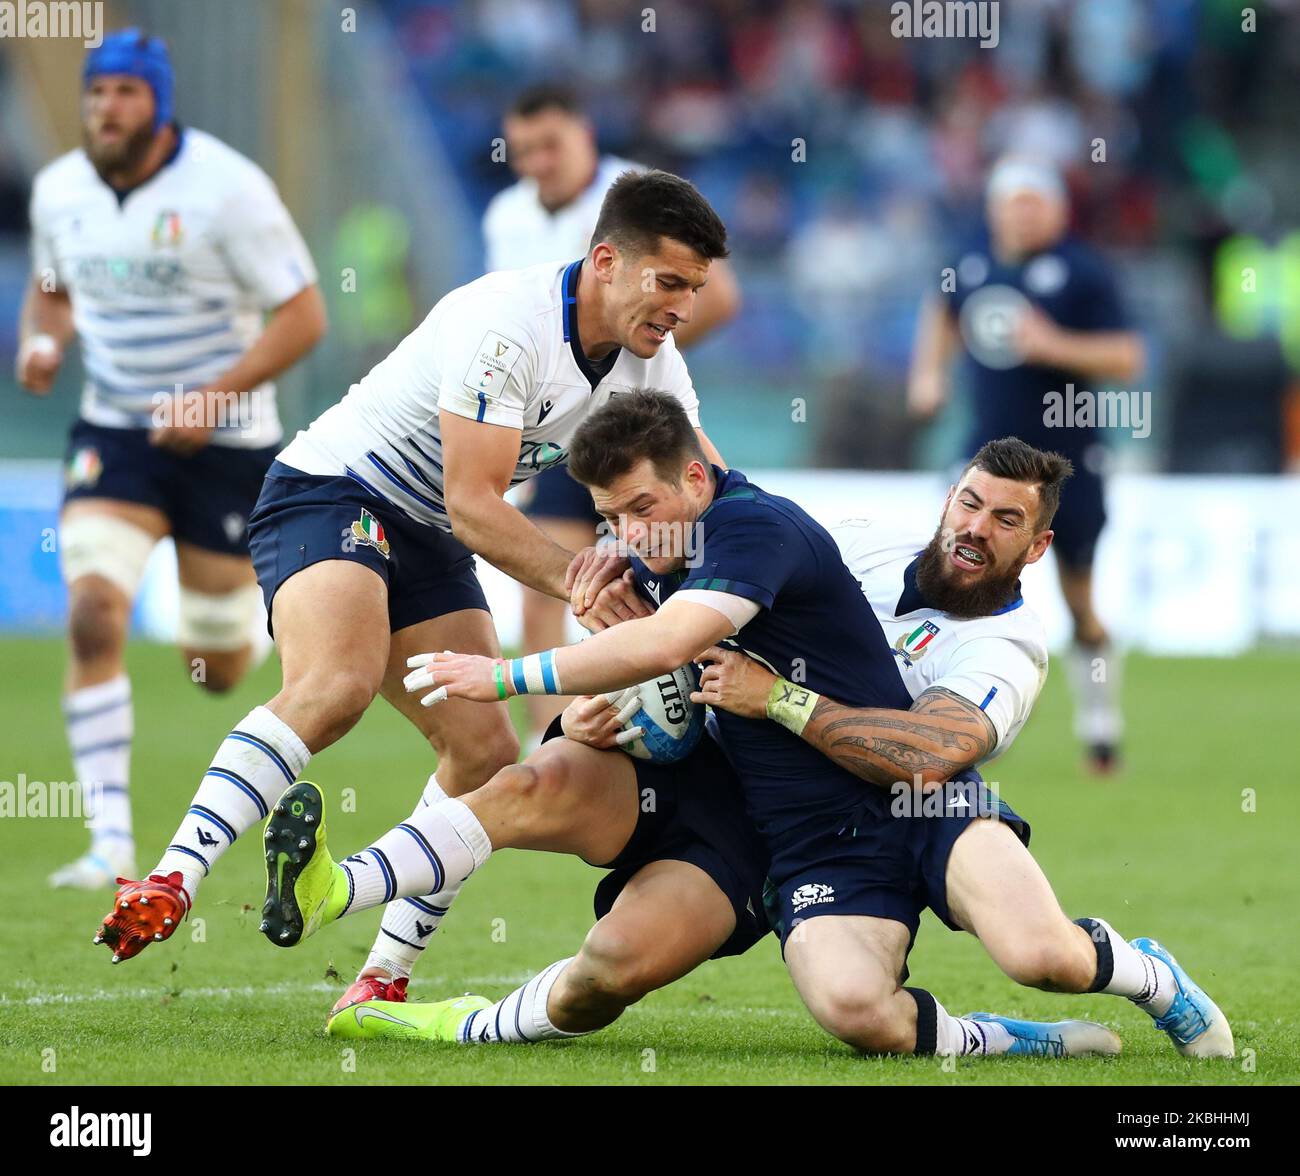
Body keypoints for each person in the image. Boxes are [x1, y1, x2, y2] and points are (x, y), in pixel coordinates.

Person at [256, 395, 1164, 1060]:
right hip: (735, 796)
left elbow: (924, 752)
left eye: (1005, 519)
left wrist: (507, 677)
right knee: (569, 871)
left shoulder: (992, 637)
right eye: (969, 502)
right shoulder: (819, 538)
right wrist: (602, 712)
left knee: (1019, 959)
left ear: (1036, 545)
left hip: (900, 804)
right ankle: (380, 946)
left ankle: (1113, 991)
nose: (623, 534)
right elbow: (664, 655)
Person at [92, 172, 729, 1027]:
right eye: (671, 282)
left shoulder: (653, 360)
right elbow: (476, 502)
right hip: (336, 489)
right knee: (337, 684)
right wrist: (583, 580)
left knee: (483, 749)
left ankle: (381, 980)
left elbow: (706, 483)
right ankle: (172, 877)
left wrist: (754, 576)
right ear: (607, 260)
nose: (683, 305)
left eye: (695, 287)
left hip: (425, 532)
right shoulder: (508, 325)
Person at [17, 29, 325, 890]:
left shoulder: (229, 190)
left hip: (225, 443)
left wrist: (214, 397)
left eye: (124, 92)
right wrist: (43, 342)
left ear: (158, 103)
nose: (104, 108)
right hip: (115, 432)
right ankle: (109, 842)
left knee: (219, 667)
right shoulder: (60, 191)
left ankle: (232, 639)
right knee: (92, 612)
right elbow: (52, 290)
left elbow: (304, 316)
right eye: (95, 92)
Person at [483, 83, 740, 747]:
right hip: (553, 422)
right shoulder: (505, 215)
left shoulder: (635, 201)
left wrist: (646, 352)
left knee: (650, 561)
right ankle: (556, 731)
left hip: (628, 421)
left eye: (550, 145)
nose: (537, 162)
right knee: (556, 575)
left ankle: (689, 699)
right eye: (523, 150)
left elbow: (722, 295)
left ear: (585, 137)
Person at [908, 156, 1145, 773]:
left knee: (1079, 597)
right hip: (987, 462)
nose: (1022, 214)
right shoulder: (970, 263)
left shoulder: (1084, 271)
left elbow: (1127, 357)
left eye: (1034, 202)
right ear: (993, 207)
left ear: (1057, 210)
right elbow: (941, 312)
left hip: (1069, 463)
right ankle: (947, 714)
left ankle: (1099, 719)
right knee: (955, 585)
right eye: (1012, 202)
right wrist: (928, 375)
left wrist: (1052, 345)